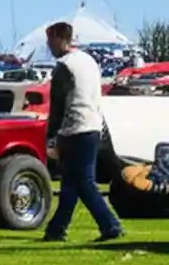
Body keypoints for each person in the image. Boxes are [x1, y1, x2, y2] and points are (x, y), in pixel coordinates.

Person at [42, 22, 125, 242]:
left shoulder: (64, 66)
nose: (49, 46)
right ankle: (56, 228)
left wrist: (51, 136)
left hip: (74, 128)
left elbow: (58, 105)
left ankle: (110, 224)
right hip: (93, 124)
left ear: (61, 38)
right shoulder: (88, 61)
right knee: (70, 183)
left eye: (50, 40)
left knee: (83, 182)